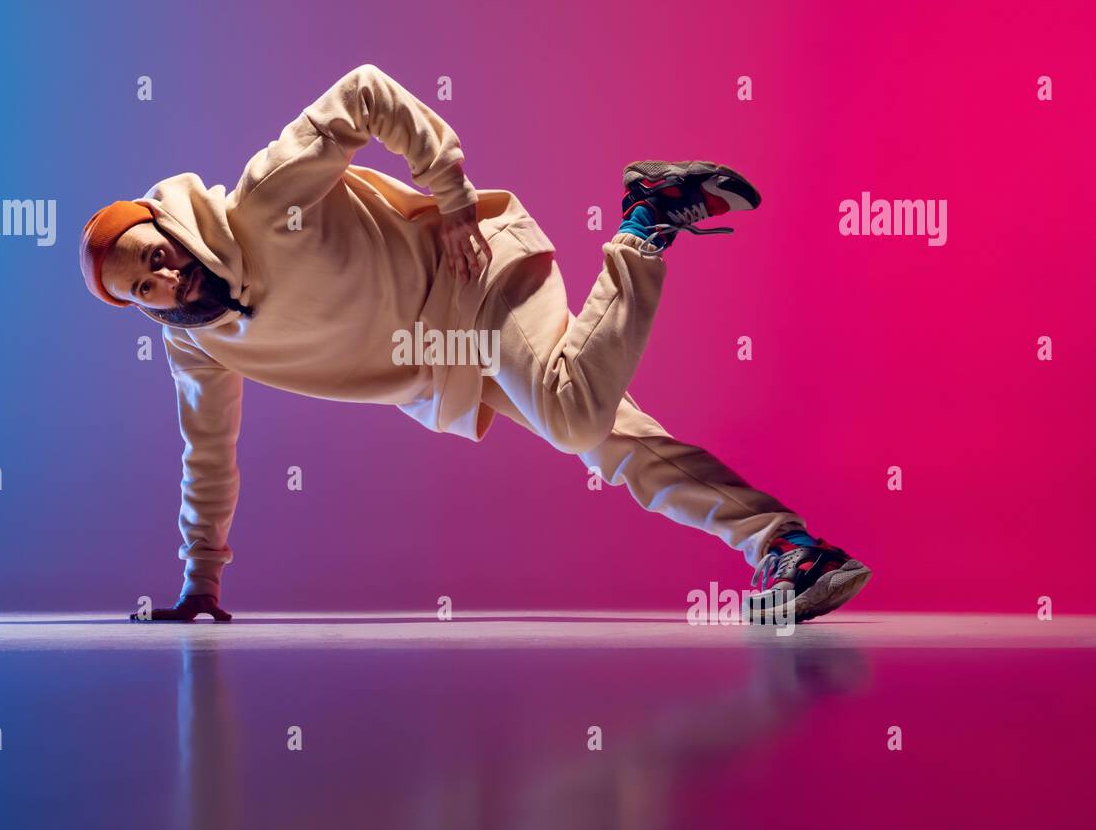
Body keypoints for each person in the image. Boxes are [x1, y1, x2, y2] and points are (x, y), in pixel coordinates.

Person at [78, 63, 871, 624]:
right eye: (144, 290)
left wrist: (452, 197)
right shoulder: (200, 345)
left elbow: (364, 93)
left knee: (572, 418)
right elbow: (207, 454)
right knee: (616, 443)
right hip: (448, 367)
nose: (166, 281)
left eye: (155, 257)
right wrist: (201, 580)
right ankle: (792, 549)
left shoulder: (262, 198)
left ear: (169, 225)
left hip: (477, 273)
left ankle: (646, 220)